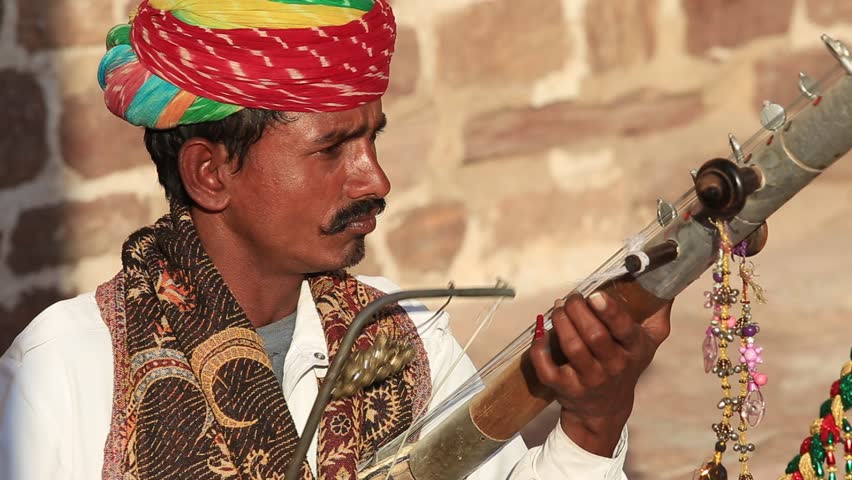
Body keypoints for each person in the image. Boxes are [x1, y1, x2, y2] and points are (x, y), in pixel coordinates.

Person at [0, 1, 672, 479]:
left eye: (371, 137)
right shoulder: (64, 375)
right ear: (210, 173)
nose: (374, 178)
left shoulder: (405, 340)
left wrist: (591, 424)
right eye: (332, 148)